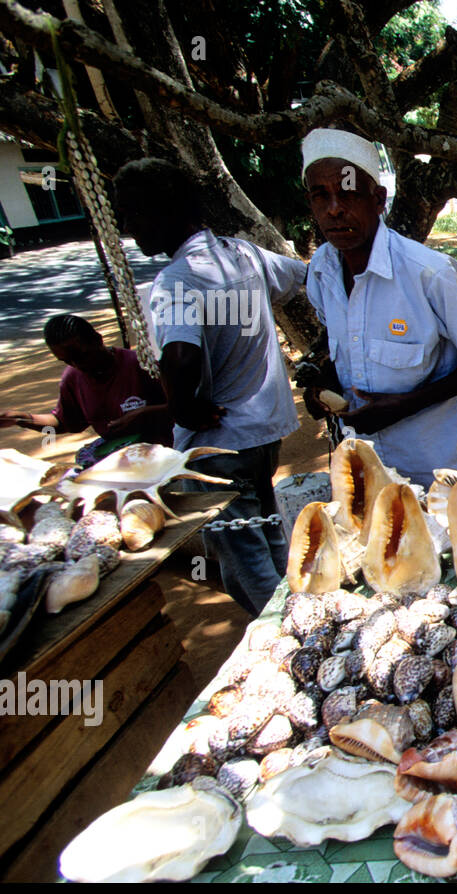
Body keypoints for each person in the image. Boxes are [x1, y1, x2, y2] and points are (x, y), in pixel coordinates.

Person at [112, 157, 307, 617]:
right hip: (261, 436)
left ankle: (294, 637)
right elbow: (301, 276)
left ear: (166, 212)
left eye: (134, 214)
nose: (128, 227)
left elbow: (180, 355)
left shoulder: (176, 280)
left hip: (216, 449)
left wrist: (183, 407)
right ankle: (296, 615)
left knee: (251, 560)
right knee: (260, 544)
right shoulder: (243, 255)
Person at [299, 128, 457, 487]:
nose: (334, 209)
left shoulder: (428, 274)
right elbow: (344, 347)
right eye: (321, 196)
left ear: (378, 200)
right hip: (365, 466)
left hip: (436, 469)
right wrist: (324, 384)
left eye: (348, 193)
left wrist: (404, 405)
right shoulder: (321, 271)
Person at [0, 314, 173, 462]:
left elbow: (185, 408)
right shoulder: (73, 377)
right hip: (118, 453)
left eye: (81, 356)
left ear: (98, 340)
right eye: (67, 361)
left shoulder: (141, 365)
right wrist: (22, 419)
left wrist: (143, 414)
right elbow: (66, 422)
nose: (76, 364)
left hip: (162, 450)